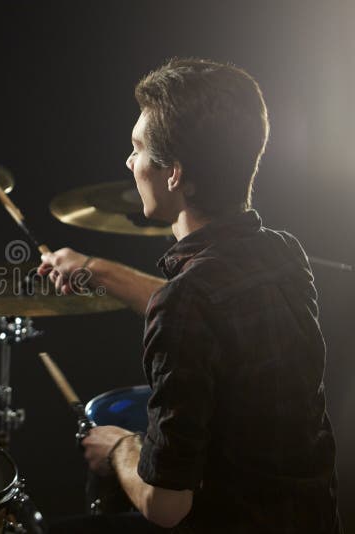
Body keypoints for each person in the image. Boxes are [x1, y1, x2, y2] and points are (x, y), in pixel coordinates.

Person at [38, 58, 340, 533]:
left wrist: (120, 448)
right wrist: (96, 269)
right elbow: (213, 305)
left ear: (174, 173)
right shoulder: (284, 254)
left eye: (137, 148)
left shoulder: (186, 303)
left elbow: (166, 506)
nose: (129, 162)